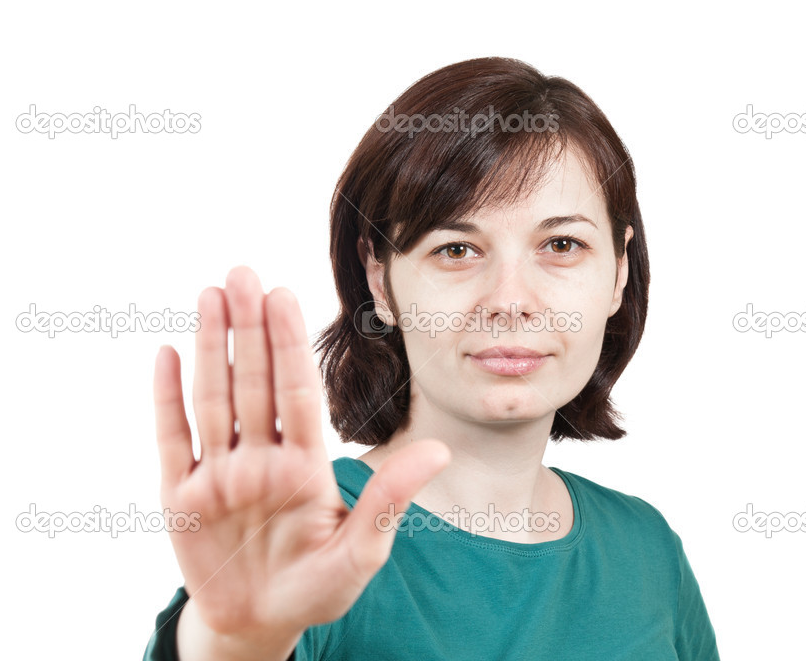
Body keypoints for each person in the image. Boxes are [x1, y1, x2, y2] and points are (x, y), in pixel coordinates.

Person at [144, 56, 720, 660]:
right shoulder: (310, 532)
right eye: (456, 249)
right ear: (380, 279)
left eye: (561, 244)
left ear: (619, 272)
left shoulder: (648, 551)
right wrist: (236, 641)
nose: (511, 301)